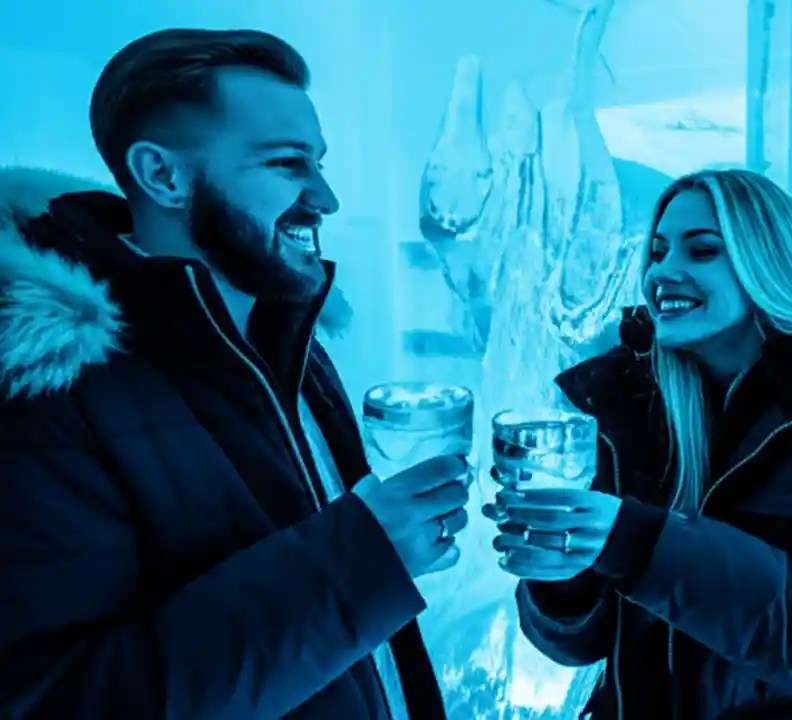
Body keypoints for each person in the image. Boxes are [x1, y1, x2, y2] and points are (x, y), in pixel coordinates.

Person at [0, 29, 469, 719]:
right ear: (163, 176)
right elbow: (64, 702)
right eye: (286, 163)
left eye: (319, 162)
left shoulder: (290, 335)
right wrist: (361, 561)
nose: (326, 197)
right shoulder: (49, 395)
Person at [488, 168, 792, 718]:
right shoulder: (627, 403)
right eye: (657, 252)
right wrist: (561, 569)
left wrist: (636, 542)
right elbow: (579, 644)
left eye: (702, 250)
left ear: (770, 265)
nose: (662, 272)